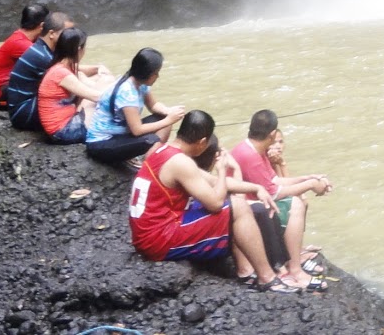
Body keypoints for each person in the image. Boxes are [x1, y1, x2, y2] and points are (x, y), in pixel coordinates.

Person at [128, 109, 301, 292]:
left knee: (236, 205)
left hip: (147, 233)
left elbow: (210, 182)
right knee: (239, 207)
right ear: (203, 142)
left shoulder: (162, 150)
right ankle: (267, 278)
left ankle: (247, 270)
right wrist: (221, 169)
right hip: (158, 240)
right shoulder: (181, 163)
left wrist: (256, 188)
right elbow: (216, 203)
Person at [231, 110, 332, 285]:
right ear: (271, 134)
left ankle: (293, 258)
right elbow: (274, 193)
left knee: (297, 199)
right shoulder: (250, 155)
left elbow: (275, 181)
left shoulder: (255, 149)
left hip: (254, 203)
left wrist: (309, 178)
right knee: (296, 203)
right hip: (247, 209)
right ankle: (295, 269)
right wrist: (310, 185)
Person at [85, 47, 186, 166]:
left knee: (163, 119)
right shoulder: (127, 92)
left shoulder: (140, 83)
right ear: (147, 73)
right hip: (102, 143)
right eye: (156, 73)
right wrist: (169, 119)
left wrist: (168, 111)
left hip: (121, 134)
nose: (157, 76)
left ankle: (148, 159)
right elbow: (137, 130)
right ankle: (148, 167)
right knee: (151, 140)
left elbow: (153, 105)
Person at [38, 27, 114, 144]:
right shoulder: (61, 73)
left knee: (103, 80)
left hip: (61, 124)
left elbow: (83, 75)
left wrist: (100, 70)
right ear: (79, 49)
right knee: (103, 94)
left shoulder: (60, 66)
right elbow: (97, 97)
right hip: (64, 131)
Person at [5, 11, 75, 131]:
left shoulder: (42, 49)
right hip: (23, 113)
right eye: (66, 33)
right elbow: (68, 76)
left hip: (23, 107)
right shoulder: (42, 56)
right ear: (52, 34)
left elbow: (68, 69)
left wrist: (96, 69)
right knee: (75, 94)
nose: (70, 36)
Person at [0, 2, 48, 109]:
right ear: (42, 25)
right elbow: (51, 63)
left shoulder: (22, 37)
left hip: (7, 87)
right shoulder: (20, 43)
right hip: (0, 95)